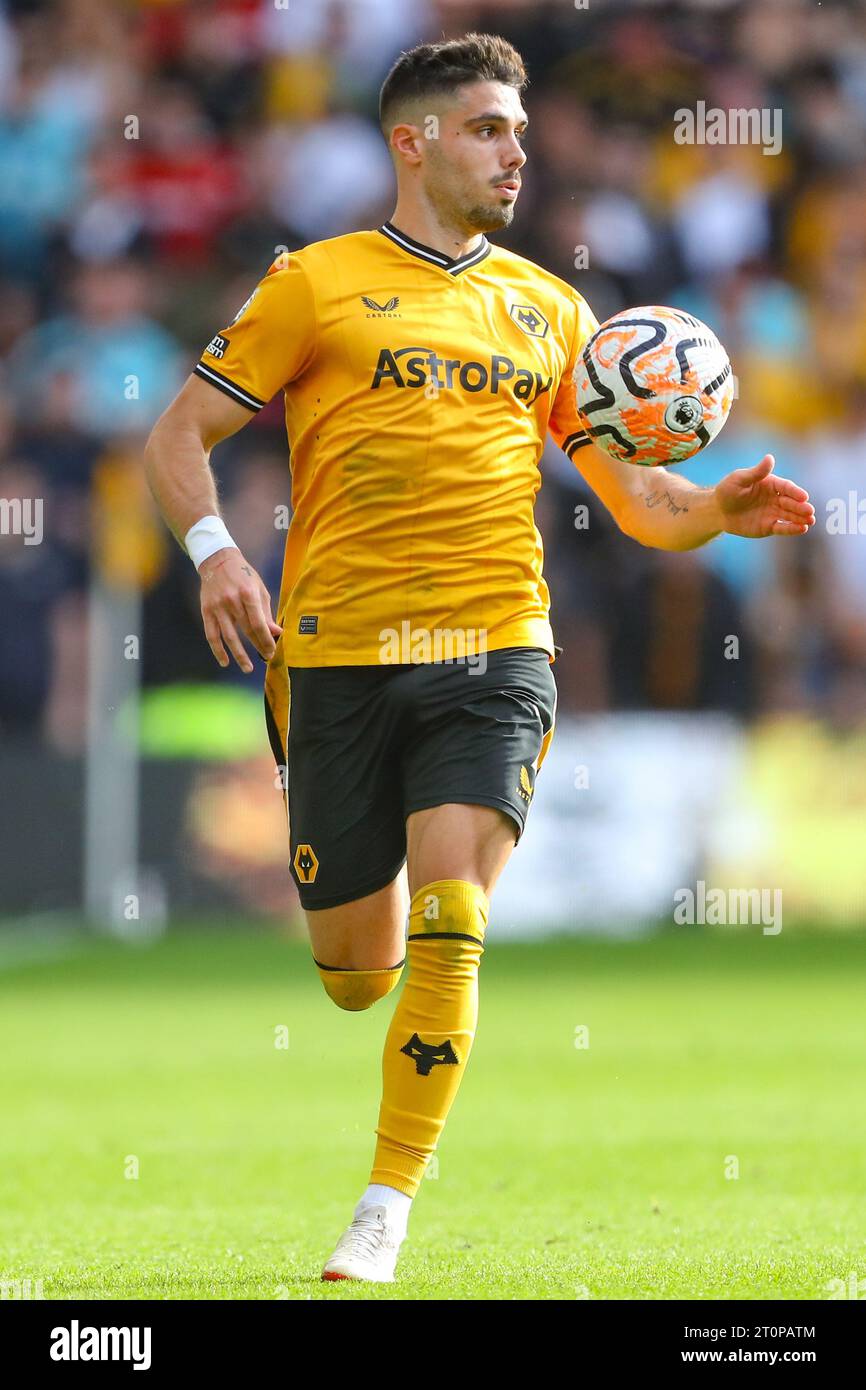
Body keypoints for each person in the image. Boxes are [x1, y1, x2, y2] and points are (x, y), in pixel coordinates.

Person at [144, 32, 814, 1284]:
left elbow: (637, 500)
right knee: (357, 977)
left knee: (455, 915)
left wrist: (711, 510)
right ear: (414, 142)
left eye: (516, 129)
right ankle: (380, 988)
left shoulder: (551, 309)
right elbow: (178, 434)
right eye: (487, 130)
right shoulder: (315, 283)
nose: (516, 151)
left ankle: (384, 1209)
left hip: (496, 645)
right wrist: (215, 553)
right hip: (334, 654)